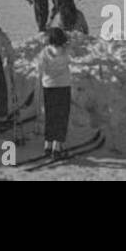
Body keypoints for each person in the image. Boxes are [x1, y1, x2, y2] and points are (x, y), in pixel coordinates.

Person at [35, 28, 75, 156]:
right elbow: (74, 47)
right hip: (63, 85)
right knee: (62, 115)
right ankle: (57, 145)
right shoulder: (66, 51)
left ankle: (48, 143)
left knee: (50, 115)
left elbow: (39, 68)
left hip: (49, 86)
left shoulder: (45, 52)